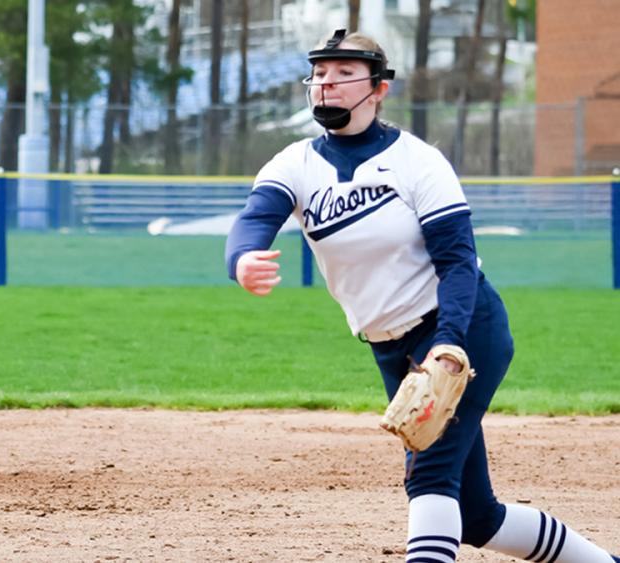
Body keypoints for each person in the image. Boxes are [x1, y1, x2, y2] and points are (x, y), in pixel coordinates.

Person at [225, 29, 620, 563]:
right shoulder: (294, 164)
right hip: (391, 347)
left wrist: (449, 345)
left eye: (344, 73)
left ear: (379, 88)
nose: (327, 83)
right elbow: (254, 219)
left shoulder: (417, 161)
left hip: (461, 327)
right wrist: (242, 258)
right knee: (477, 517)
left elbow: (457, 262)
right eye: (319, 74)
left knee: (430, 475)